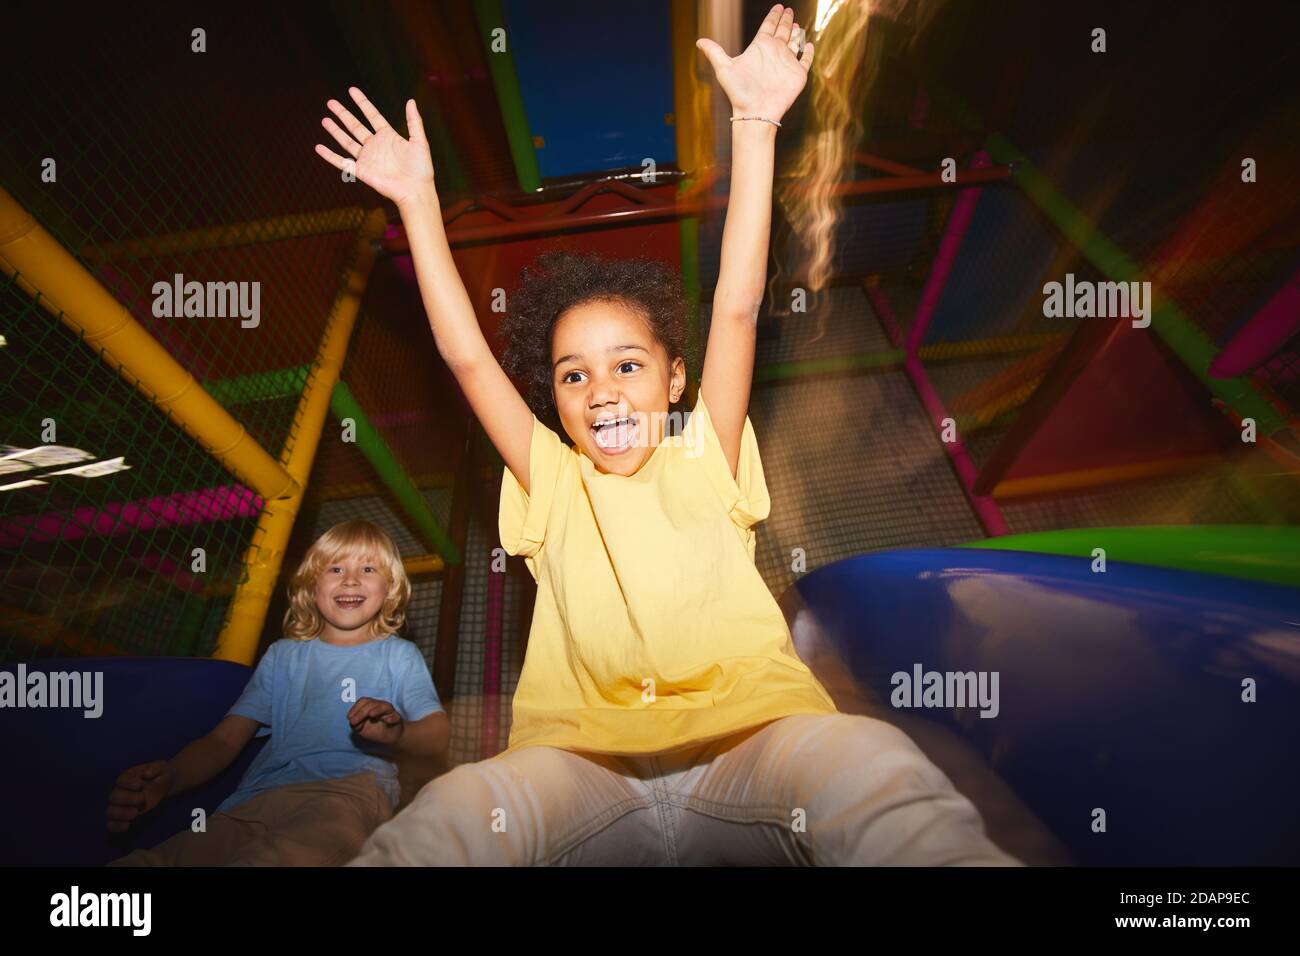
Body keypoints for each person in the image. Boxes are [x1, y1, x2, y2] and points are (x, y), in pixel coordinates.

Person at [315, 5, 1018, 866]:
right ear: (556, 403)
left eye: (627, 366)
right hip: (583, 767)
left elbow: (735, 303)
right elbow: (466, 359)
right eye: (573, 375)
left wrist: (755, 124)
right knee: (458, 812)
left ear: (675, 381)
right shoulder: (552, 478)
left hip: (751, 750)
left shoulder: (704, 450)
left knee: (875, 768)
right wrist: (418, 203)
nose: (601, 390)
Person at [105, 520, 449, 866]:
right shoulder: (282, 656)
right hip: (255, 799)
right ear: (312, 586)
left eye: (368, 568)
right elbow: (223, 742)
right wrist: (172, 777)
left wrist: (398, 732)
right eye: (335, 568)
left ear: (389, 588)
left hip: (347, 795)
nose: (351, 579)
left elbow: (436, 735)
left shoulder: (398, 655)